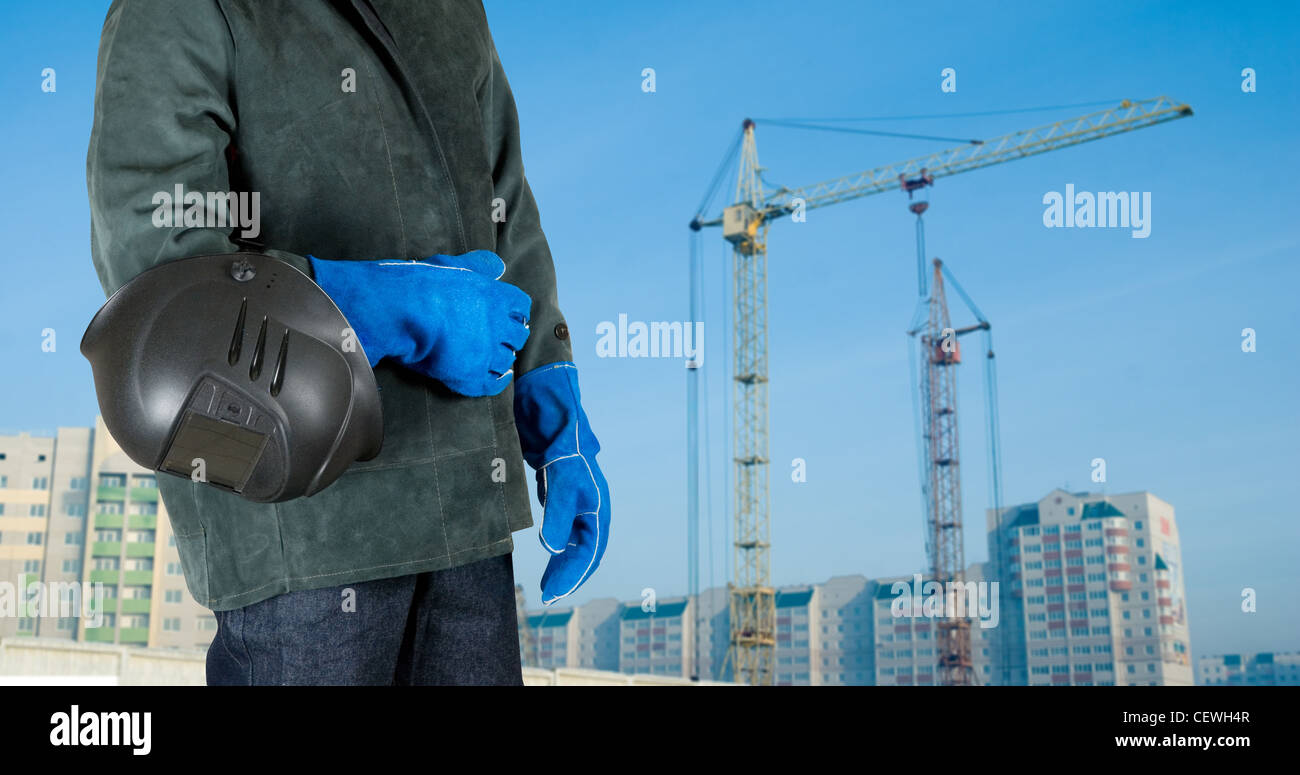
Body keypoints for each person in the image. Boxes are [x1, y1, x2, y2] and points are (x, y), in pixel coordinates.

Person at [86, 0, 611, 685]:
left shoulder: (450, 11)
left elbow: (503, 201)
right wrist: (384, 307)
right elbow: (161, 279)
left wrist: (554, 406)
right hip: (300, 534)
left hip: (465, 512)